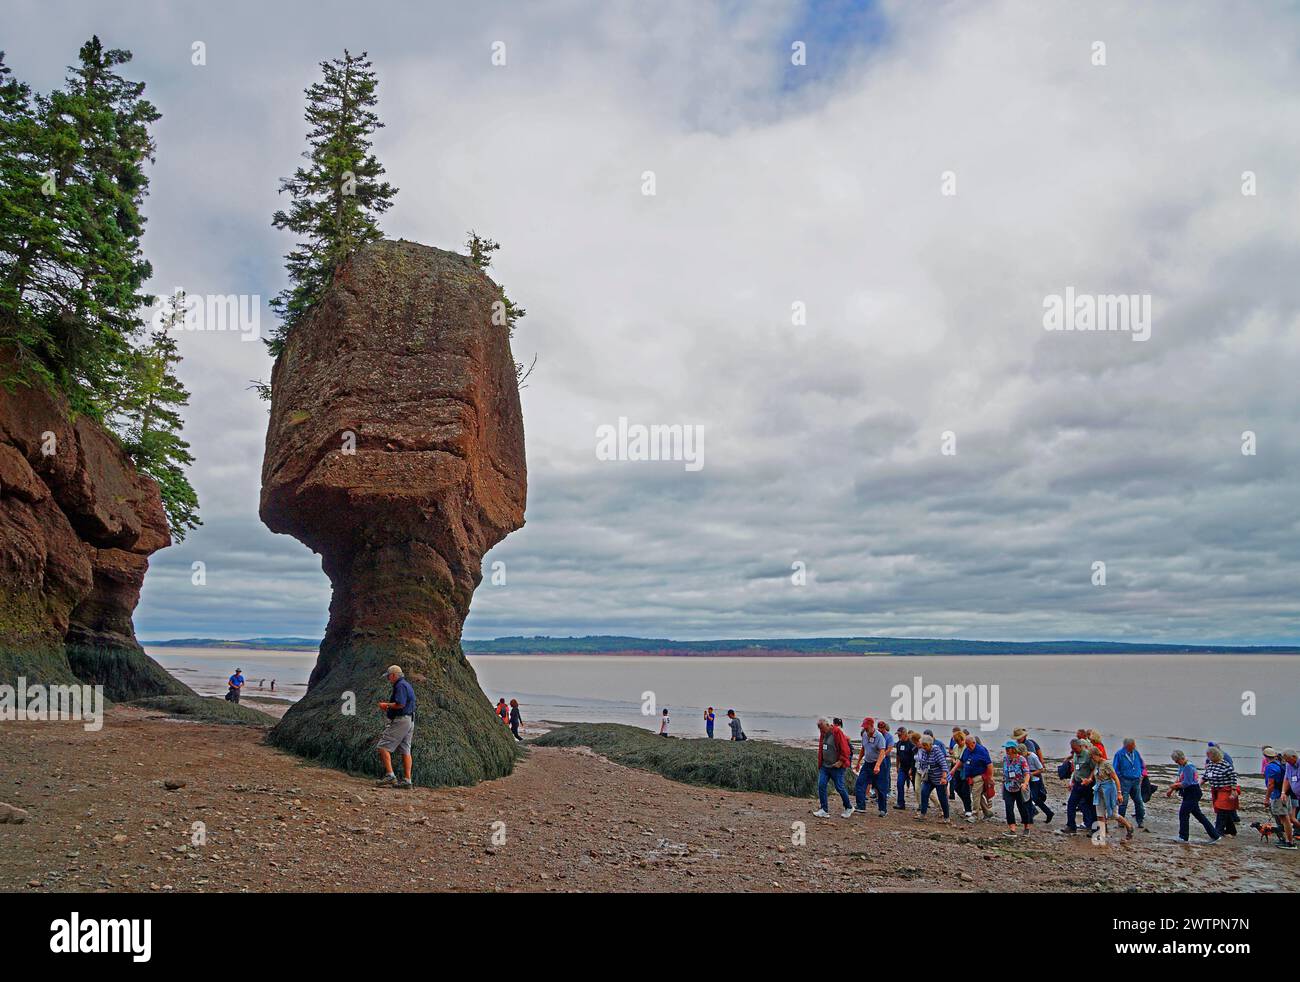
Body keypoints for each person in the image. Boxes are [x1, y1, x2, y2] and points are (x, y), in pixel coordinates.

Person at [1165, 750, 1219, 844]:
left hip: (1193, 792)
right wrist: (1172, 789)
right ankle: (1215, 835)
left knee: (1183, 813)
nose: (1176, 762)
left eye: (1177, 761)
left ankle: (1183, 837)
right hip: (1188, 793)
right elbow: (1179, 778)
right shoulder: (1182, 766)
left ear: (1181, 758)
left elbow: (1187, 783)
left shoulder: (1188, 766)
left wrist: (1173, 786)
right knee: (1199, 815)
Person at [375, 665, 416, 789]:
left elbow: (400, 704)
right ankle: (407, 780)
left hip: (401, 720)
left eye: (388, 676)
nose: (388, 679)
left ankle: (390, 775)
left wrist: (385, 705)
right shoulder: (406, 685)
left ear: (393, 675)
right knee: (406, 749)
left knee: (383, 746)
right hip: (410, 719)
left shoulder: (400, 686)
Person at [1090, 747, 1133, 843]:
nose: (1092, 759)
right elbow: (1095, 774)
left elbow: (1116, 778)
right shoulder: (1096, 764)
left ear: (1097, 755)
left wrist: (1119, 793)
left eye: (1092, 757)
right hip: (1099, 791)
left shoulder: (1107, 764)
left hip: (1109, 790)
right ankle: (1102, 835)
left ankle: (1129, 826)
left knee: (1113, 814)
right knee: (1100, 814)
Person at [814, 718, 854, 819]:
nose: (821, 731)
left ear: (828, 725)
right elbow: (821, 748)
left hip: (837, 767)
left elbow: (846, 749)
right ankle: (824, 810)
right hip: (825, 766)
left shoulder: (837, 732)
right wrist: (820, 763)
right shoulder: (823, 734)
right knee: (821, 785)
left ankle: (849, 807)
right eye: (820, 730)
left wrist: (841, 762)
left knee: (839, 787)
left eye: (822, 729)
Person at [1060, 738, 1098, 834]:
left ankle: (1094, 828)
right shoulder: (1075, 755)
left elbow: (1095, 768)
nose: (1074, 751)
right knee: (1071, 804)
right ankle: (1071, 826)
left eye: (1075, 749)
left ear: (1080, 746)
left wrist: (1089, 779)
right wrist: (1071, 781)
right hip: (1077, 784)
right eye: (1072, 749)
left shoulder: (1088, 755)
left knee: (1091, 806)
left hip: (1087, 785)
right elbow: (1076, 770)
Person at [1201, 746, 1240, 837]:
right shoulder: (1210, 764)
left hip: (1225, 790)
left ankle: (1218, 831)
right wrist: (1197, 785)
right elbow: (1205, 776)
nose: (1208, 758)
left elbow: (1233, 777)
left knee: (1222, 810)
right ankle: (1231, 830)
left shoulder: (1225, 765)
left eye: (1209, 756)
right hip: (1216, 790)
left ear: (1214, 755)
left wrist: (1233, 791)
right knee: (1223, 811)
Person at [854, 717, 890, 815]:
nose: (865, 729)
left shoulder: (879, 737)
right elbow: (863, 748)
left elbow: (882, 751)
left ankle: (883, 809)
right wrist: (858, 762)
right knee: (860, 783)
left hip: (879, 764)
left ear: (872, 726)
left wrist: (877, 765)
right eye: (864, 727)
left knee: (880, 787)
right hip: (867, 764)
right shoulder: (865, 735)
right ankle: (861, 806)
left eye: (866, 727)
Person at [954, 733, 992, 823]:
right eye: (966, 744)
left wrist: (990, 778)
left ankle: (975, 815)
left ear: (974, 743)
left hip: (979, 776)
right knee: (978, 795)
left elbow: (989, 765)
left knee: (975, 794)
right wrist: (953, 770)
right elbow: (961, 761)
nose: (967, 746)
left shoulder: (982, 750)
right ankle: (987, 812)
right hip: (970, 777)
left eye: (968, 744)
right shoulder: (967, 750)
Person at [1112, 738, 1146, 830]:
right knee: (1123, 802)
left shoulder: (1136, 753)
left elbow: (1142, 764)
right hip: (1125, 781)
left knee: (1138, 801)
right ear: (1128, 745)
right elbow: (1115, 769)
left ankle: (1140, 820)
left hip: (1136, 780)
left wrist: (1142, 773)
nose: (1135, 746)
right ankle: (1121, 821)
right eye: (1133, 744)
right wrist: (1120, 778)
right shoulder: (1119, 754)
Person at [1264, 747, 1296, 848]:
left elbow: (1271, 785)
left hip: (1278, 795)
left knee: (1284, 819)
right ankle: (1287, 839)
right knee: (1286, 819)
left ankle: (1289, 842)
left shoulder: (1270, 767)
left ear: (1265, 756)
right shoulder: (1281, 764)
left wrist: (1267, 798)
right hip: (1286, 793)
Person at [1001, 741, 1033, 836]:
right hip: (1008, 786)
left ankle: (1026, 827)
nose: (1006, 750)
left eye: (1008, 748)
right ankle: (1012, 829)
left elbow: (1027, 773)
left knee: (1022, 808)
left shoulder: (1022, 759)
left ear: (1014, 749)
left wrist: (1025, 784)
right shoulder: (1005, 759)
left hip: (1020, 787)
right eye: (1006, 748)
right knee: (1009, 807)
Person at [915, 734, 950, 821]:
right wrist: (922, 772)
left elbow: (944, 765)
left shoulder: (937, 751)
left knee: (942, 797)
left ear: (930, 744)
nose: (923, 747)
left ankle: (946, 817)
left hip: (940, 778)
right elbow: (922, 763)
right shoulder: (923, 751)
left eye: (925, 745)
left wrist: (944, 778)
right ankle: (922, 814)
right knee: (924, 792)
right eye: (923, 745)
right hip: (929, 777)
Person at [1019, 737, 1053, 823]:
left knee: (1034, 798)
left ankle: (1047, 813)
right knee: (1029, 798)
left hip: (1035, 779)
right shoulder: (1021, 758)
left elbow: (1041, 769)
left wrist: (1032, 774)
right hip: (1027, 778)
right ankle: (1032, 817)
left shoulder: (1033, 757)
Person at [895, 728, 917, 810]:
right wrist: (897, 767)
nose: (898, 736)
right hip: (902, 768)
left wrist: (911, 769)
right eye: (898, 735)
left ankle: (921, 804)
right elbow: (898, 756)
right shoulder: (898, 744)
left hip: (912, 768)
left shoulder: (911, 744)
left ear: (905, 734)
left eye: (900, 735)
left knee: (916, 787)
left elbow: (914, 758)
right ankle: (900, 803)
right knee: (899, 784)